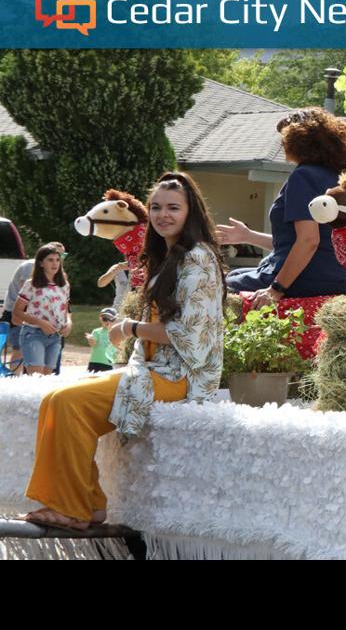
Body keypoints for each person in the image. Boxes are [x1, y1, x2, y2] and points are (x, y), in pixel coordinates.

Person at [20, 172, 225, 531]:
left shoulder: (197, 259)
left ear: (190, 212)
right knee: (55, 398)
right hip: (151, 369)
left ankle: (73, 509)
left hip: (180, 376)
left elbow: (190, 337)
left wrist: (128, 328)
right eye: (157, 207)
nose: (163, 215)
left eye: (173, 208)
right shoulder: (170, 255)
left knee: (70, 404)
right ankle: (89, 505)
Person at [220, 108, 346, 308]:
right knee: (235, 274)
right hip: (335, 279)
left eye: (284, 137)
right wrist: (248, 236)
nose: (281, 143)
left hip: (306, 280)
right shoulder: (337, 178)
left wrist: (276, 289)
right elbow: (296, 243)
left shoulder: (304, 176)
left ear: (298, 139)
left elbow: (309, 241)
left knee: (220, 284)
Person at [11, 243, 72, 375]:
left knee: (47, 379)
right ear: (40, 263)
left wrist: (69, 323)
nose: (55, 263)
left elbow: (66, 310)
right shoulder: (31, 284)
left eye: (57, 260)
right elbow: (17, 312)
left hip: (56, 336)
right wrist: (41, 323)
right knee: (36, 379)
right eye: (50, 260)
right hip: (33, 334)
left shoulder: (64, 285)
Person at [84, 307, 120, 373]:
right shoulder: (96, 331)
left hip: (109, 363)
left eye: (110, 319)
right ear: (100, 319)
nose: (107, 321)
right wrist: (91, 339)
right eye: (104, 319)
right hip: (95, 361)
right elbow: (93, 344)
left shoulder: (117, 332)